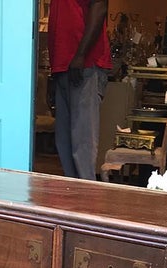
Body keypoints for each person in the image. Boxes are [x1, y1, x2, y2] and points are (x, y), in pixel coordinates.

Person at [48, 0, 110, 180]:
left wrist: (81, 55)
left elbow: (100, 7)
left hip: (85, 65)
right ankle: (74, 201)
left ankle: (86, 204)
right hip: (63, 66)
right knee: (65, 143)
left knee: (82, 146)